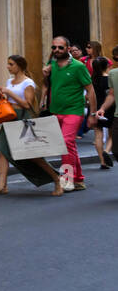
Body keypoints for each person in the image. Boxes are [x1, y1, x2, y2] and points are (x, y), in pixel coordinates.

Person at [0, 55, 62, 195]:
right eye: (8, 64)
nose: (8, 67)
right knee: (2, 150)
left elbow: (27, 104)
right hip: (9, 117)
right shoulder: (10, 81)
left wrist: (9, 92)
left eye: (11, 64)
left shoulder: (28, 83)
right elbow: (7, 100)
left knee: (33, 154)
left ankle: (57, 179)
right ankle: (2, 185)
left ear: (19, 66)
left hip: (22, 118)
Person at [45, 36, 97, 191]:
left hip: (74, 110)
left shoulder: (78, 66)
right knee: (70, 145)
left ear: (68, 49)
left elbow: (90, 90)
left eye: (60, 48)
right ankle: (79, 179)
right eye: (54, 47)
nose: (56, 50)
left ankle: (67, 180)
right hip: (56, 111)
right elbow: (50, 86)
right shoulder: (52, 65)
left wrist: (92, 114)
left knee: (66, 143)